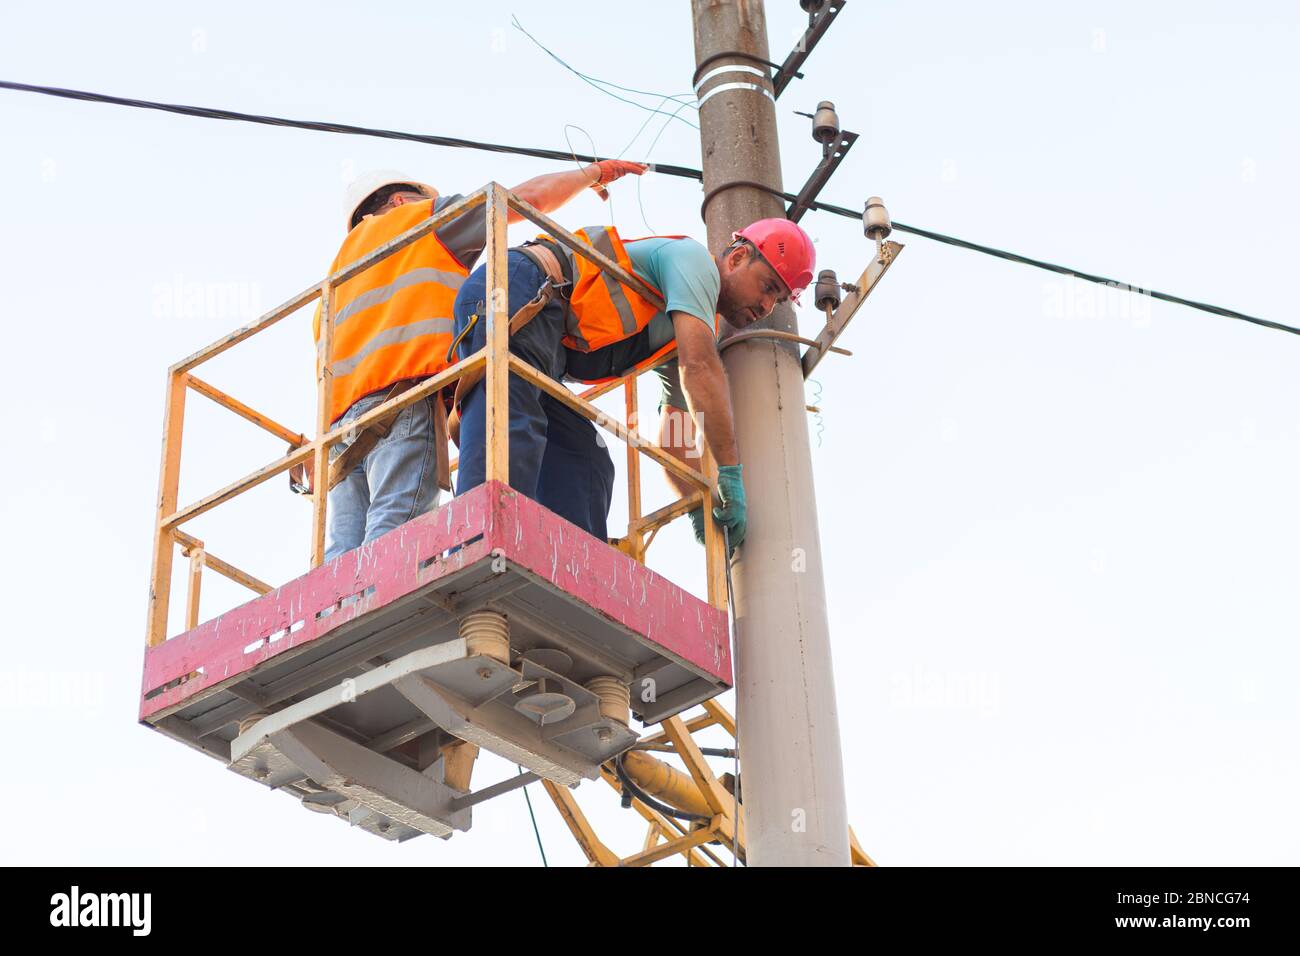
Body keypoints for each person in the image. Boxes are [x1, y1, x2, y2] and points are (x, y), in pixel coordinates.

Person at [313, 162, 645, 561]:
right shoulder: (419, 221)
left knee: (342, 552)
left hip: (338, 433)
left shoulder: (333, 284)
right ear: (399, 200)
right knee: (394, 528)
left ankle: (340, 621)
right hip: (399, 399)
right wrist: (591, 174)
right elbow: (525, 199)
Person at [451, 218, 815, 548]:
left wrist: (696, 503)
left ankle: (568, 565)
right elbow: (700, 368)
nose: (767, 306)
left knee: (586, 459)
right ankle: (477, 540)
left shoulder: (684, 329)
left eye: (778, 300)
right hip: (519, 288)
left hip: (544, 346)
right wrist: (731, 472)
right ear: (736, 258)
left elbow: (675, 436)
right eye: (767, 287)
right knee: (511, 418)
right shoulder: (695, 263)